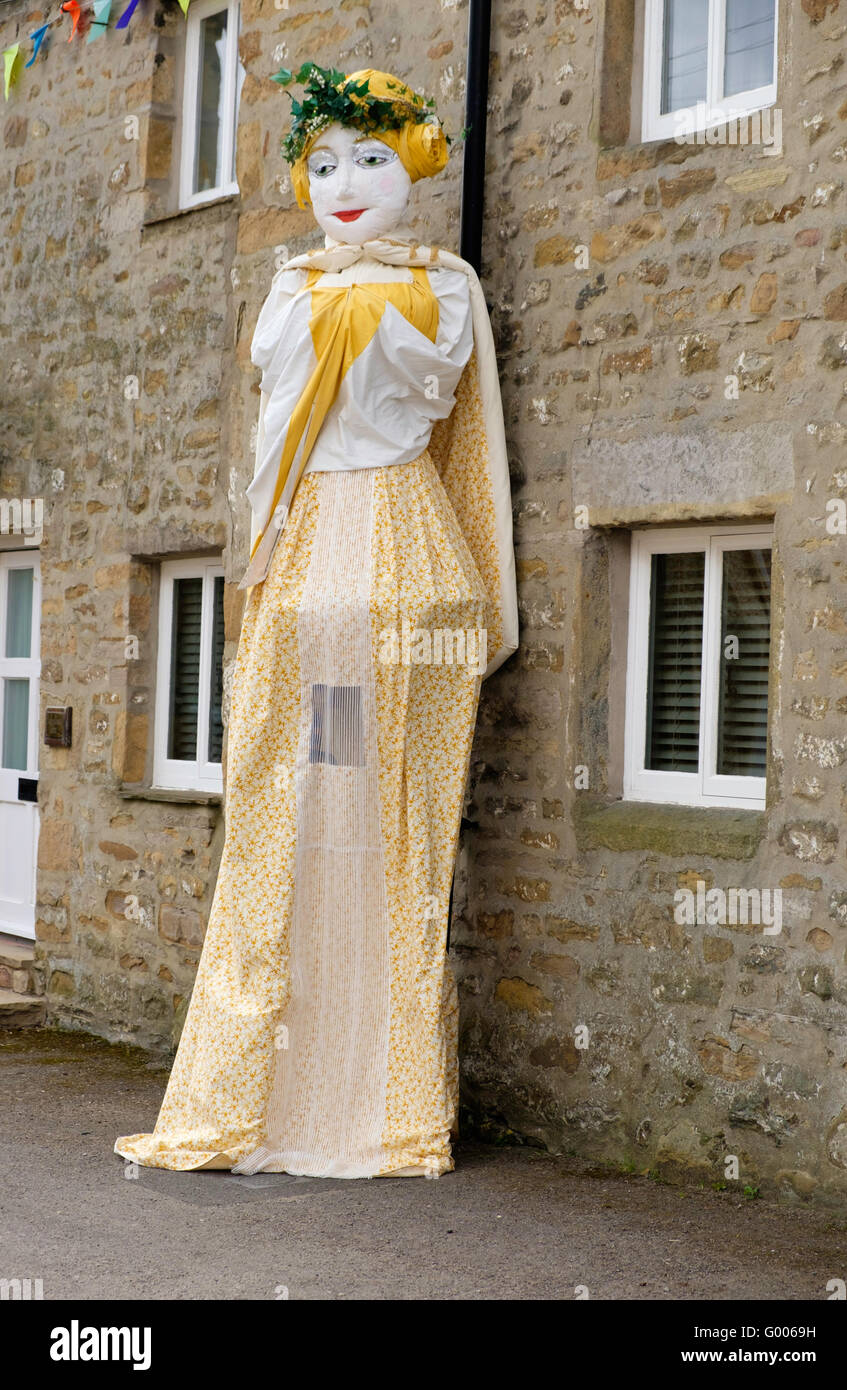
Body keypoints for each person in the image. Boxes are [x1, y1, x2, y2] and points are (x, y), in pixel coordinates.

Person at [115, 65, 517, 1179]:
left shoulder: (445, 287)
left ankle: (384, 1101)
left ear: (413, 169)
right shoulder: (300, 291)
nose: (344, 183)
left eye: (371, 160)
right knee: (293, 818)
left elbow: (448, 414)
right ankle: (273, 1086)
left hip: (394, 571)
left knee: (398, 834)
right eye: (324, 163)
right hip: (323, 582)